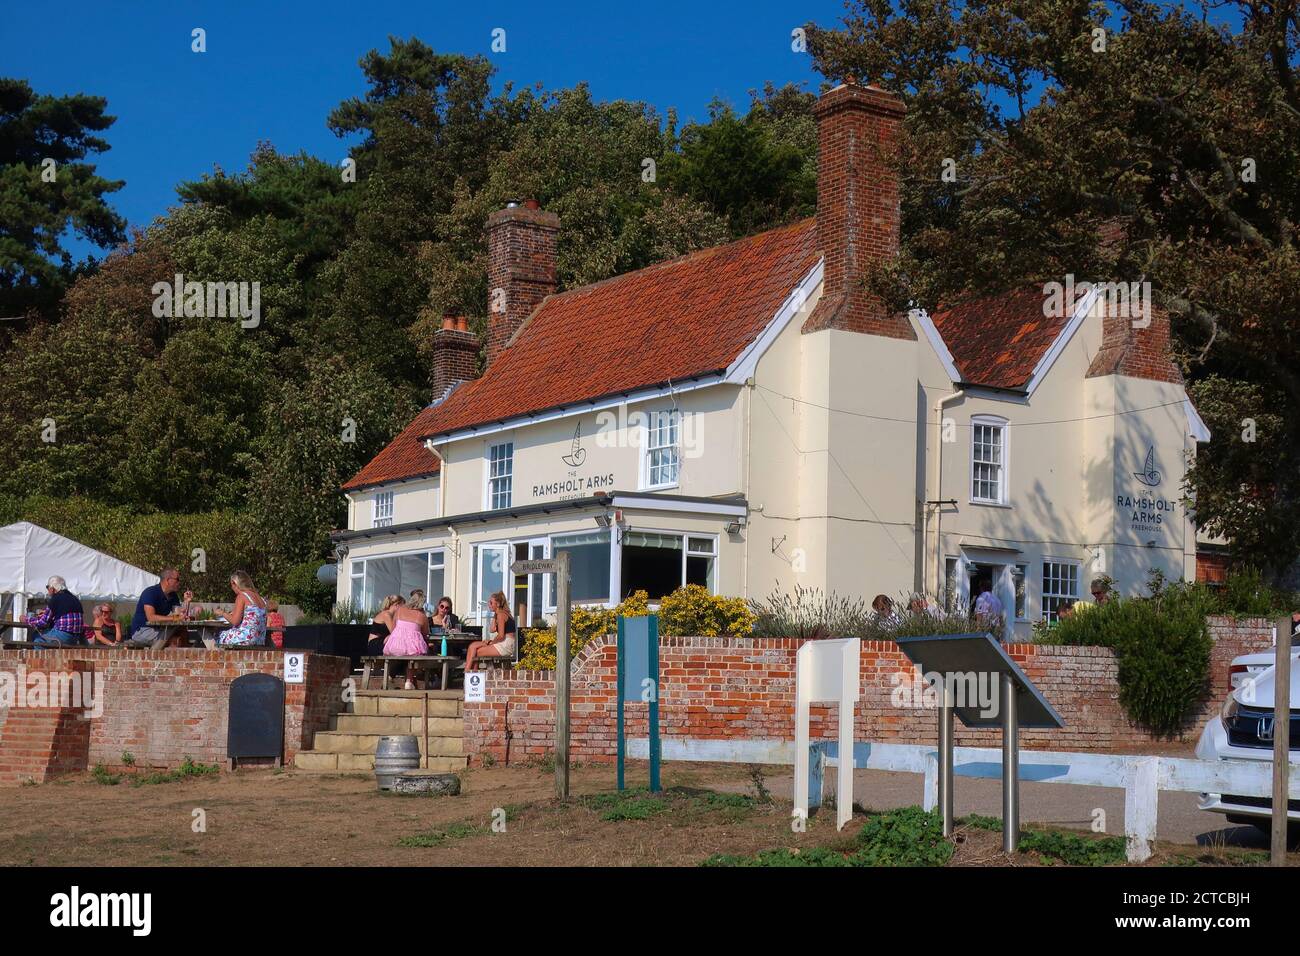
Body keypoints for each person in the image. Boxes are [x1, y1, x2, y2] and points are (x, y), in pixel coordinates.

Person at [126, 569, 193, 648]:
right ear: (168, 580)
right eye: (177, 579)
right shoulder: (150, 592)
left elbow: (179, 614)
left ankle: (189, 658)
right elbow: (151, 617)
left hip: (159, 629)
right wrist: (176, 618)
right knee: (175, 641)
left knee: (183, 632)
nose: (179, 583)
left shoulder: (173, 595)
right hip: (142, 630)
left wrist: (186, 601)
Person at [210, 571, 268, 647]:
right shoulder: (260, 598)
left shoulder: (242, 596)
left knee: (215, 637)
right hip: (259, 639)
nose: (232, 588)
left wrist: (222, 613)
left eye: (231, 585)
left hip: (244, 638)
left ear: (235, 583)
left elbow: (235, 621)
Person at [384, 597, 431, 690]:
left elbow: (393, 629)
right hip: (412, 647)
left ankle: (390, 677)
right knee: (414, 654)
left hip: (395, 644)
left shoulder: (399, 610)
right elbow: (426, 633)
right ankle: (409, 681)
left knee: (402, 653)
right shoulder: (422, 616)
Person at [25, 576, 85, 647]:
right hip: (76, 637)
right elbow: (64, 616)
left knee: (37, 639)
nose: (47, 590)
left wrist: (26, 619)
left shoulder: (55, 599)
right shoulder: (74, 598)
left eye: (47, 587)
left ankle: (40, 658)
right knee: (47, 637)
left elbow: (43, 622)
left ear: (52, 588)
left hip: (63, 636)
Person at [465, 591, 516, 672]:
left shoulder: (501, 615)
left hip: (505, 644)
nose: (489, 605)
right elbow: (492, 630)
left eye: (491, 603)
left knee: (476, 652)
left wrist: (492, 642)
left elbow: (501, 635)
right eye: (489, 602)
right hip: (504, 642)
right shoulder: (500, 614)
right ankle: (470, 674)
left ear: (498, 604)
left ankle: (469, 674)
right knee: (473, 645)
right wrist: (495, 614)